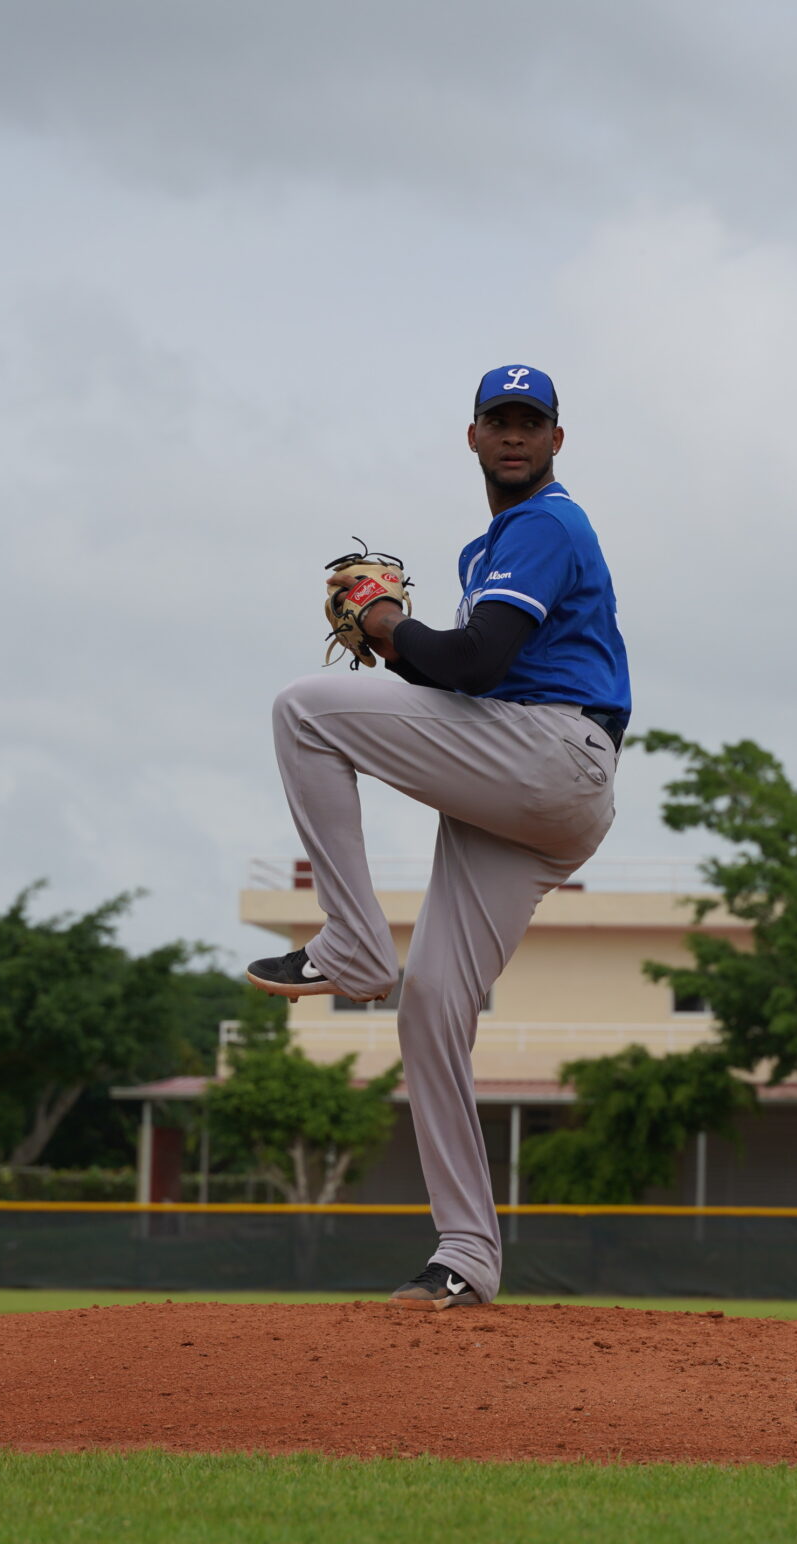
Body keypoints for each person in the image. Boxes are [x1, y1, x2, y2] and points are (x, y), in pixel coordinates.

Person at [247, 365, 628, 1312]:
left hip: (555, 752)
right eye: (498, 420)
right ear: (472, 437)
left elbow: (474, 659)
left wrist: (383, 620)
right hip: (535, 792)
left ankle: (352, 942)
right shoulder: (489, 548)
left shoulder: (548, 522)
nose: (513, 435)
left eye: (529, 422)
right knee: (431, 1005)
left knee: (304, 710)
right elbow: (455, 685)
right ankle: (465, 1255)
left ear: (556, 439)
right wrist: (394, 644)